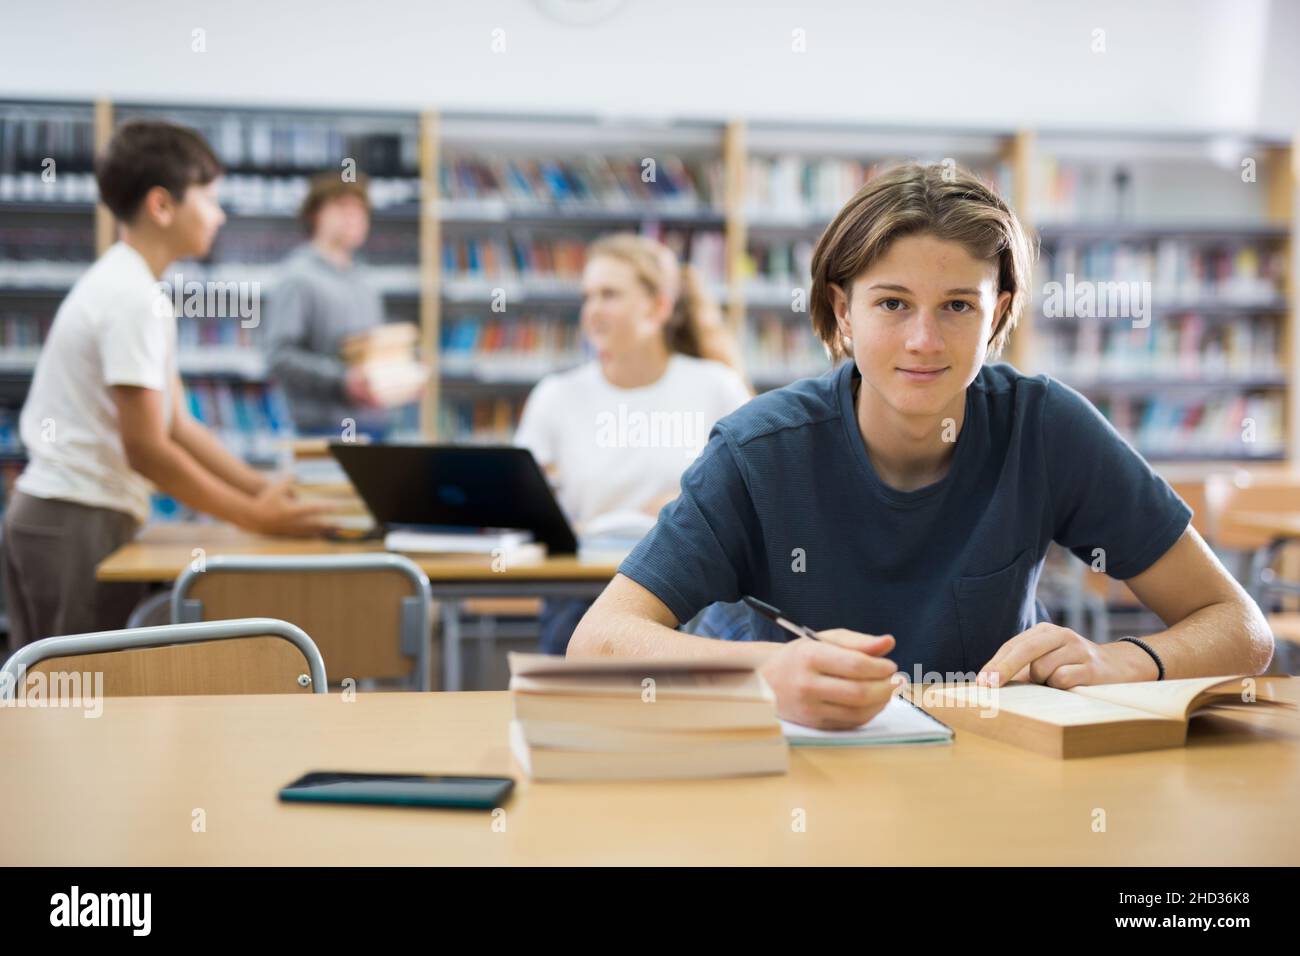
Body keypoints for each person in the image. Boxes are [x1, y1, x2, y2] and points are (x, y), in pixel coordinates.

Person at [566, 162, 1274, 728]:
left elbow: (1242, 628)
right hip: (802, 777)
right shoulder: (761, 450)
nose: (924, 341)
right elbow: (599, 641)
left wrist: (1125, 662)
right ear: (843, 310)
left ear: (996, 314)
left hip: (991, 772)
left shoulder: (1046, 427)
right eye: (892, 303)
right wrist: (762, 673)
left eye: (958, 306)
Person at [1, 120, 328, 651]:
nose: (220, 215)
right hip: (73, 517)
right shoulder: (132, 297)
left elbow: (178, 423)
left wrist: (261, 488)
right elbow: (147, 449)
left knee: (72, 695)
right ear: (162, 205)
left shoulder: (135, 284)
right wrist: (255, 515)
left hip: (76, 514)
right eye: (210, 197)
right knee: (70, 704)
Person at [513, 233, 751, 653]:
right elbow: (521, 509)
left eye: (610, 295)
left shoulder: (716, 386)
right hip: (584, 589)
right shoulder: (556, 396)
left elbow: (755, 490)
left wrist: (689, 499)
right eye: (588, 296)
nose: (593, 311)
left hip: (691, 588)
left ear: (659, 306)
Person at [264, 173, 396, 438]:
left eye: (360, 209)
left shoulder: (365, 279)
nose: (354, 217)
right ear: (315, 214)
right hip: (322, 430)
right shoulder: (298, 277)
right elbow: (279, 356)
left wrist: (397, 375)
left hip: (374, 424)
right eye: (342, 207)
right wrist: (342, 380)